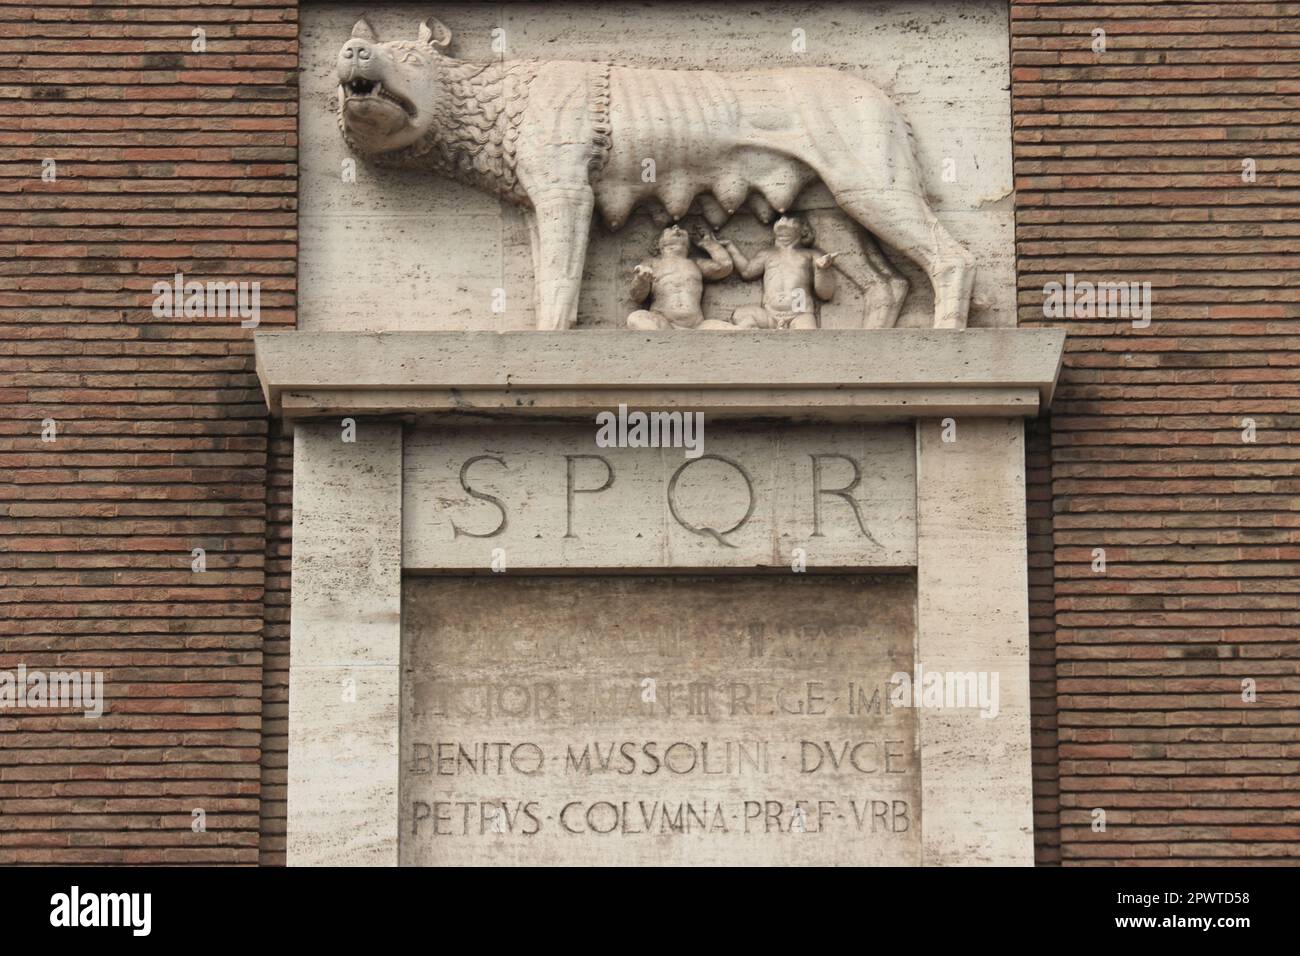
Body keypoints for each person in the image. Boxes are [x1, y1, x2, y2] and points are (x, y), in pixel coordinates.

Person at [719, 215, 840, 330]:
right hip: (769, 315)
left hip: (800, 314)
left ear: (803, 231)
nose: (783, 234)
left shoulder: (811, 255)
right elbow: (747, 271)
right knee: (740, 314)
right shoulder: (767, 254)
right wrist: (730, 247)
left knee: (807, 335)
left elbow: (826, 294)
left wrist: (821, 270)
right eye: (780, 231)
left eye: (789, 230)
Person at [626, 225, 741, 331]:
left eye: (681, 229)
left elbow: (724, 265)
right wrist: (641, 280)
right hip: (664, 323)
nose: (676, 227)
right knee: (636, 318)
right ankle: (660, 344)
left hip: (697, 325)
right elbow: (637, 297)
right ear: (658, 243)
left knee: (737, 332)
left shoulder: (695, 263)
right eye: (669, 229)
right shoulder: (653, 263)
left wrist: (708, 244)